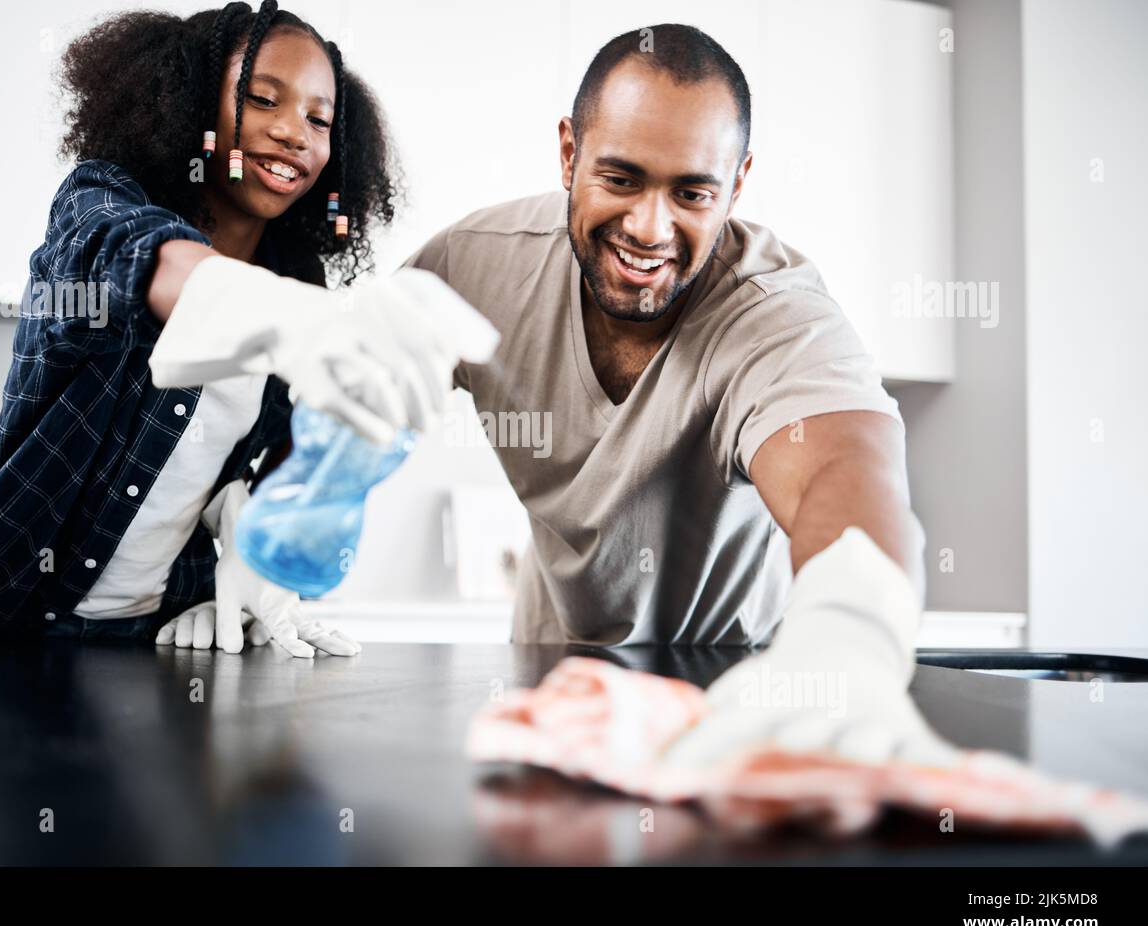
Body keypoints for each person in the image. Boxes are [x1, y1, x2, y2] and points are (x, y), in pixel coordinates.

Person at [404, 24, 961, 768]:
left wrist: (851, 637)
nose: (648, 228)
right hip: (548, 678)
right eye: (622, 178)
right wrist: (244, 520)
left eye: (692, 191)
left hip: (727, 692)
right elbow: (347, 387)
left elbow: (846, 468)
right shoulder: (475, 266)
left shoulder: (771, 312)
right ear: (570, 153)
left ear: (736, 183)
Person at [0, 1, 495, 657]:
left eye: (319, 118)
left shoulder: (297, 280)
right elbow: (138, 258)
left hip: (162, 639)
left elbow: (240, 468)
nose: (293, 132)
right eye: (261, 99)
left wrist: (252, 560)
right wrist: (289, 318)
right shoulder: (101, 204)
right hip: (3, 630)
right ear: (194, 106)